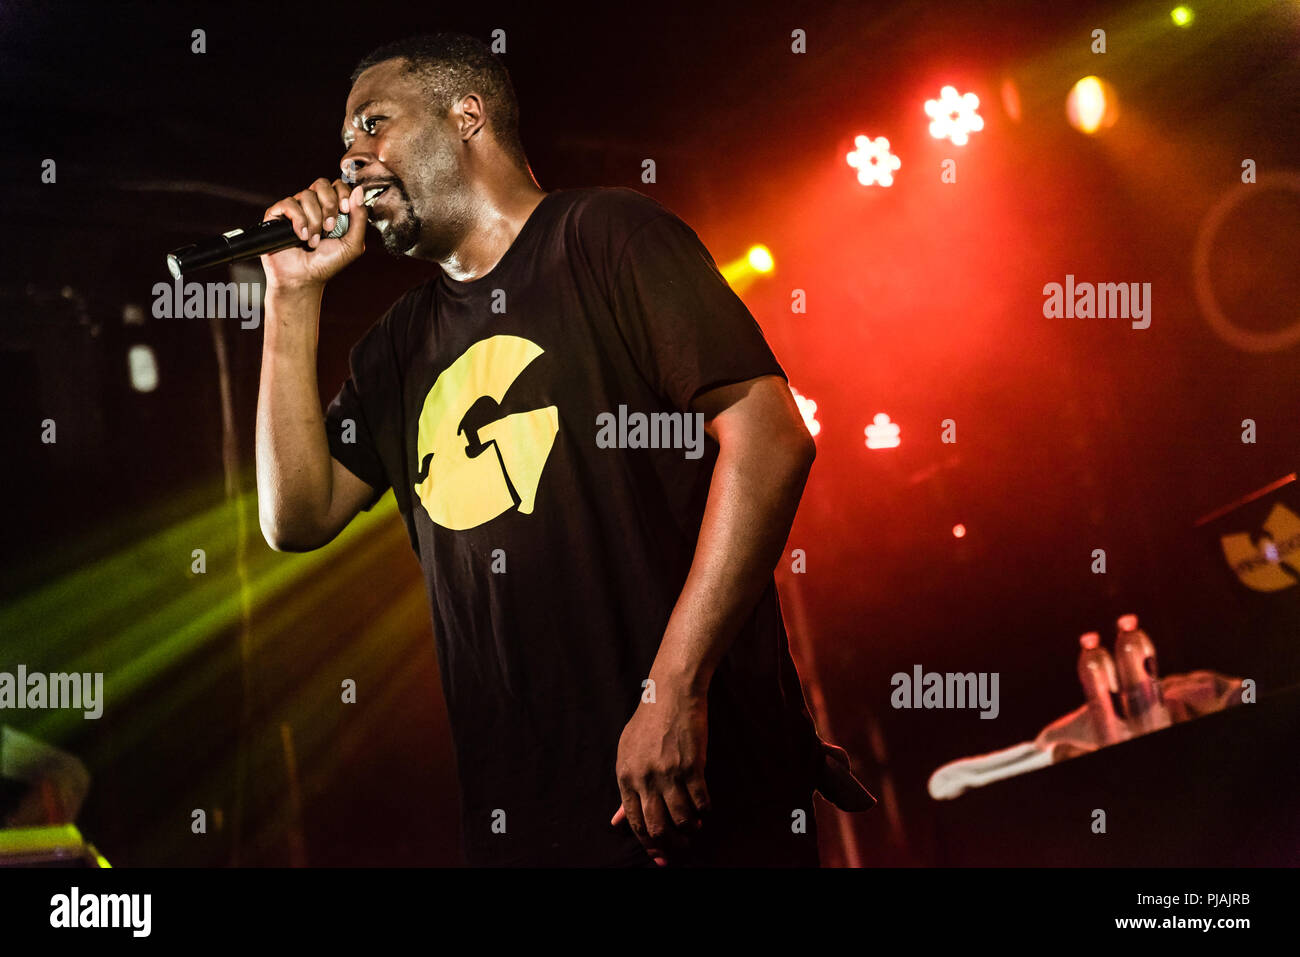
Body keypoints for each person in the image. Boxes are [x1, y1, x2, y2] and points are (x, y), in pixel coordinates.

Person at [255, 32, 873, 867]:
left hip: (687, 784)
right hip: (527, 816)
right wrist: (291, 300)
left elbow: (771, 436)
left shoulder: (608, 237)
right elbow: (294, 517)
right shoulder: (396, 349)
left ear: (465, 114)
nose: (352, 159)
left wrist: (677, 689)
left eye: (373, 124)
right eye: (345, 142)